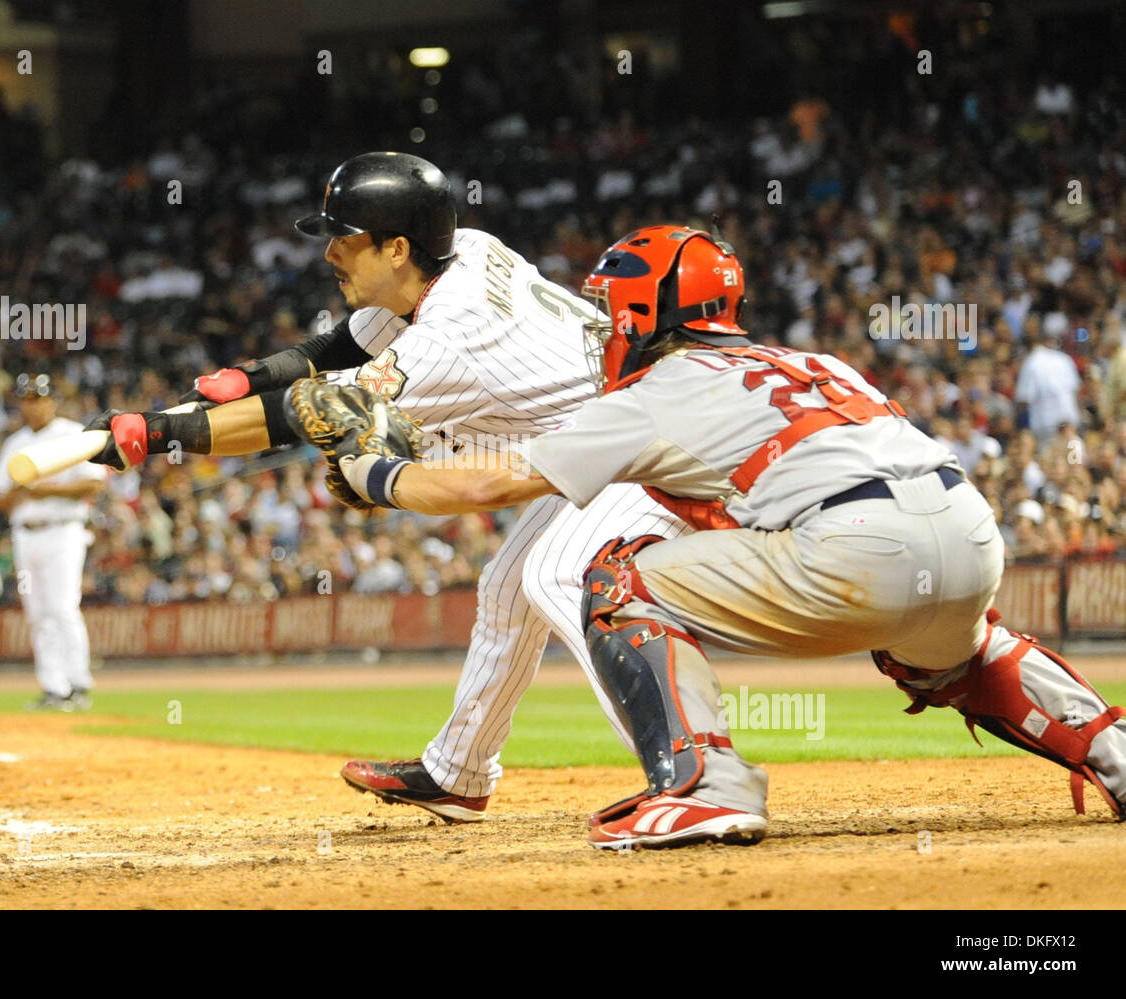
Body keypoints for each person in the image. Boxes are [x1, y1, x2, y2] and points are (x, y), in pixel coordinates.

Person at [331, 224, 1126, 849]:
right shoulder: (812, 359)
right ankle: (1112, 747)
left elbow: (484, 483)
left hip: (853, 549)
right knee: (956, 647)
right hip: (969, 539)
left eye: (612, 309)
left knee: (613, 576)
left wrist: (373, 473)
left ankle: (704, 786)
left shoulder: (655, 389)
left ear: (645, 313)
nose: (603, 323)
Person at [86, 151, 694, 819]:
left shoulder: (451, 334)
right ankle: (458, 770)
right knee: (505, 589)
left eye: (344, 238)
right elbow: (338, 348)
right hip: (598, 434)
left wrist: (160, 433)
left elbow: (307, 412)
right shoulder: (458, 251)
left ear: (396, 246)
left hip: (644, 437)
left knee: (556, 576)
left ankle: (689, 775)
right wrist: (242, 377)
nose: (330, 254)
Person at [0, 374, 107, 711]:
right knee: (38, 613)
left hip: (64, 530)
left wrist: (42, 488)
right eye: (27, 399)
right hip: (25, 533)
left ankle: (79, 684)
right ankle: (53, 687)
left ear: (53, 401)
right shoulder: (15, 443)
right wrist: (19, 490)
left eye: (39, 398)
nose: (33, 405)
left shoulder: (71, 434)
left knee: (63, 607)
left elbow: (94, 484)